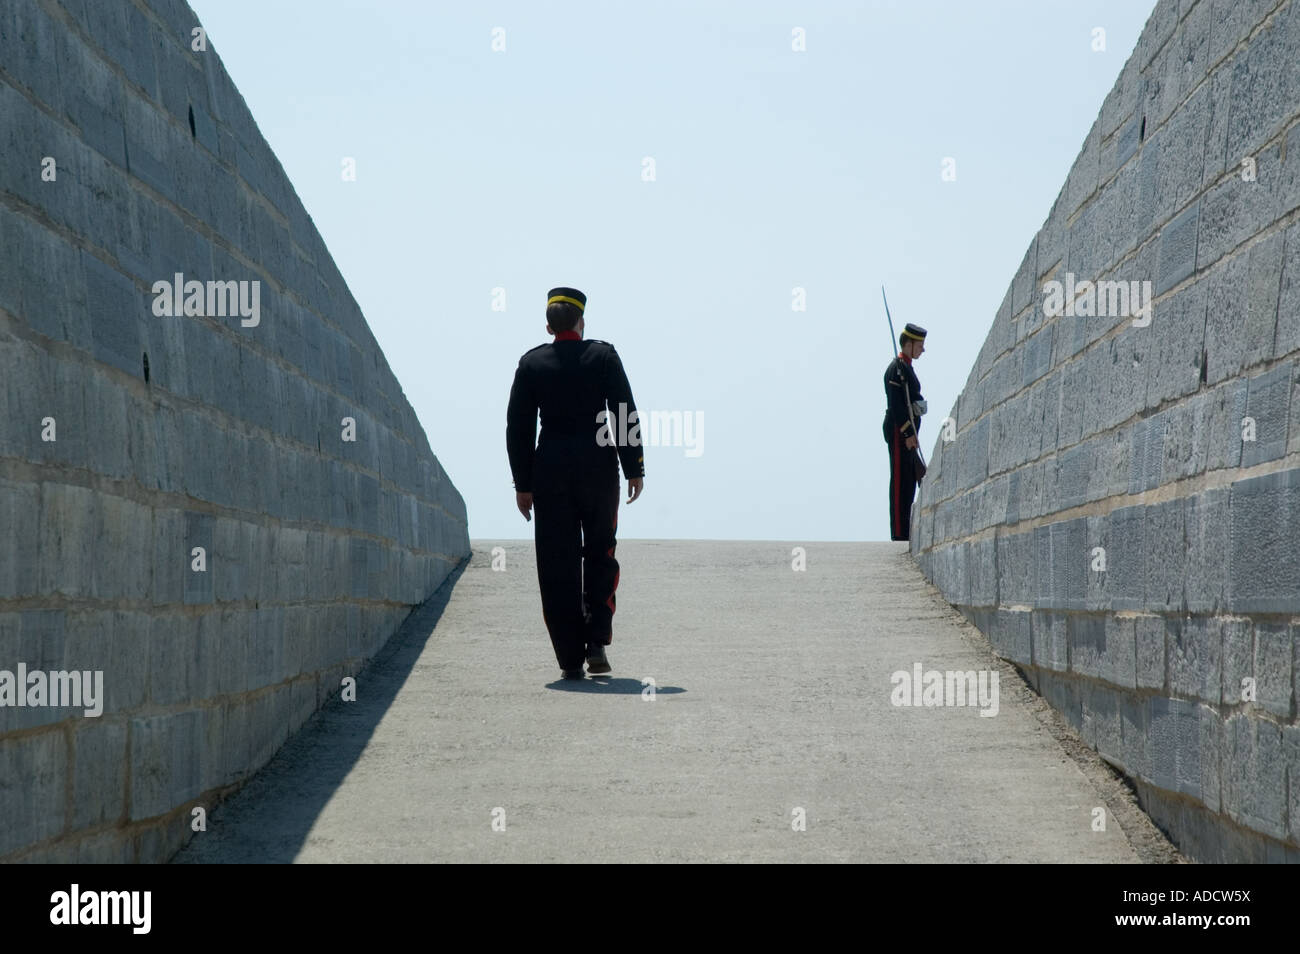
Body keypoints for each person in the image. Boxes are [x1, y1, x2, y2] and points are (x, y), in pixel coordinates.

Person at [506, 287, 645, 680]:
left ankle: (569, 659)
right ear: (581, 323)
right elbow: (622, 412)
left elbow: (518, 428)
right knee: (601, 552)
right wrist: (634, 466)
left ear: (548, 325)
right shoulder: (603, 356)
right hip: (599, 472)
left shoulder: (532, 364)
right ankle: (597, 642)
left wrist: (522, 483)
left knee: (557, 563)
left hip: (549, 475)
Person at [882, 323, 927, 541]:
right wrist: (908, 434)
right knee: (900, 483)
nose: (922, 350)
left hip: (910, 437)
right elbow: (897, 405)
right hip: (900, 435)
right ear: (909, 344)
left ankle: (905, 531)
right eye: (920, 345)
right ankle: (899, 534)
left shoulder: (906, 368)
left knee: (909, 482)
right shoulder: (896, 369)